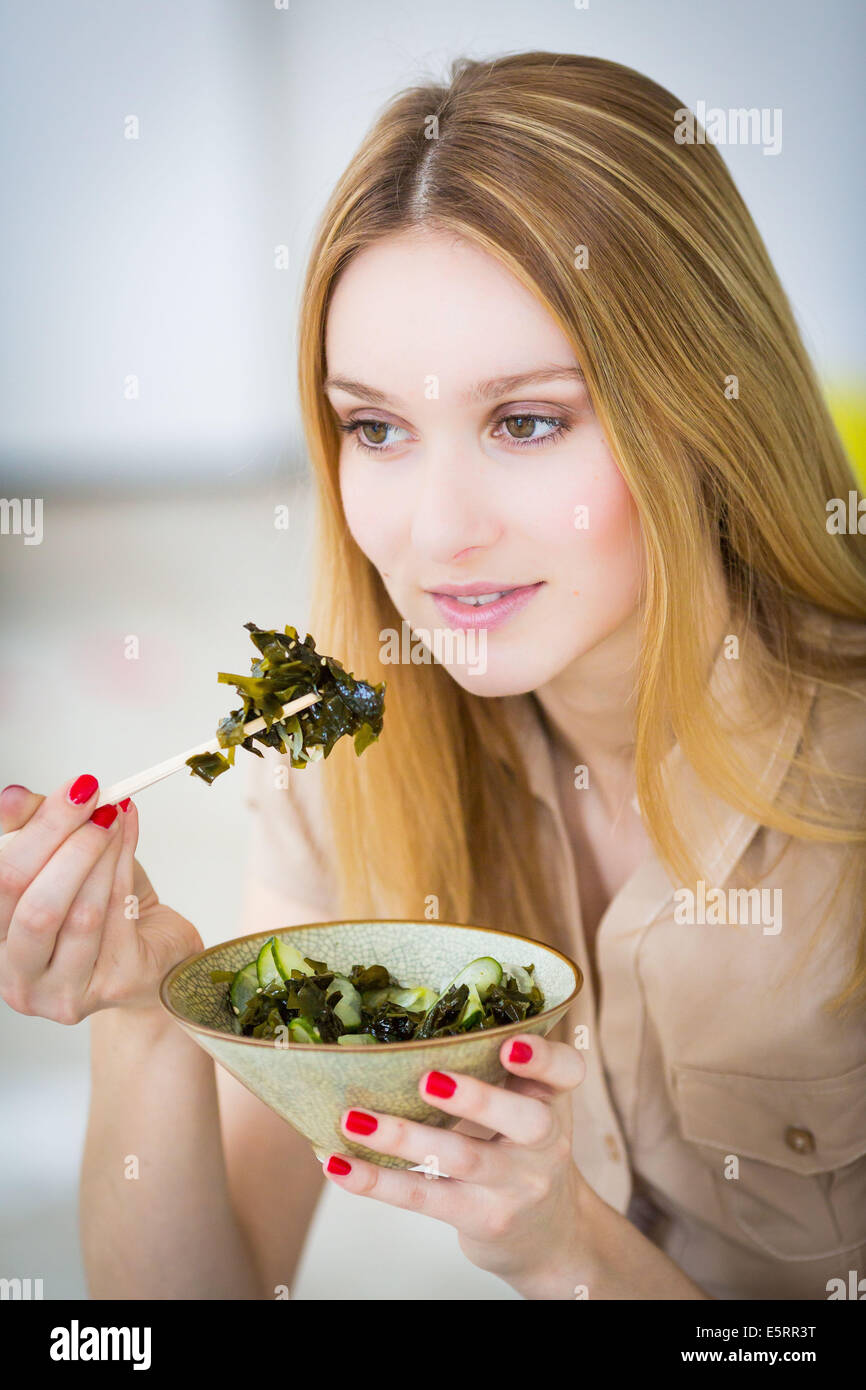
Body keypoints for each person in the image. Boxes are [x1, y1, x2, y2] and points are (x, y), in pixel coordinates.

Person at [1, 52, 864, 1301]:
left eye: (525, 422)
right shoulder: (346, 774)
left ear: (698, 409)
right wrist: (143, 1015)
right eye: (375, 429)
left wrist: (565, 1250)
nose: (434, 528)